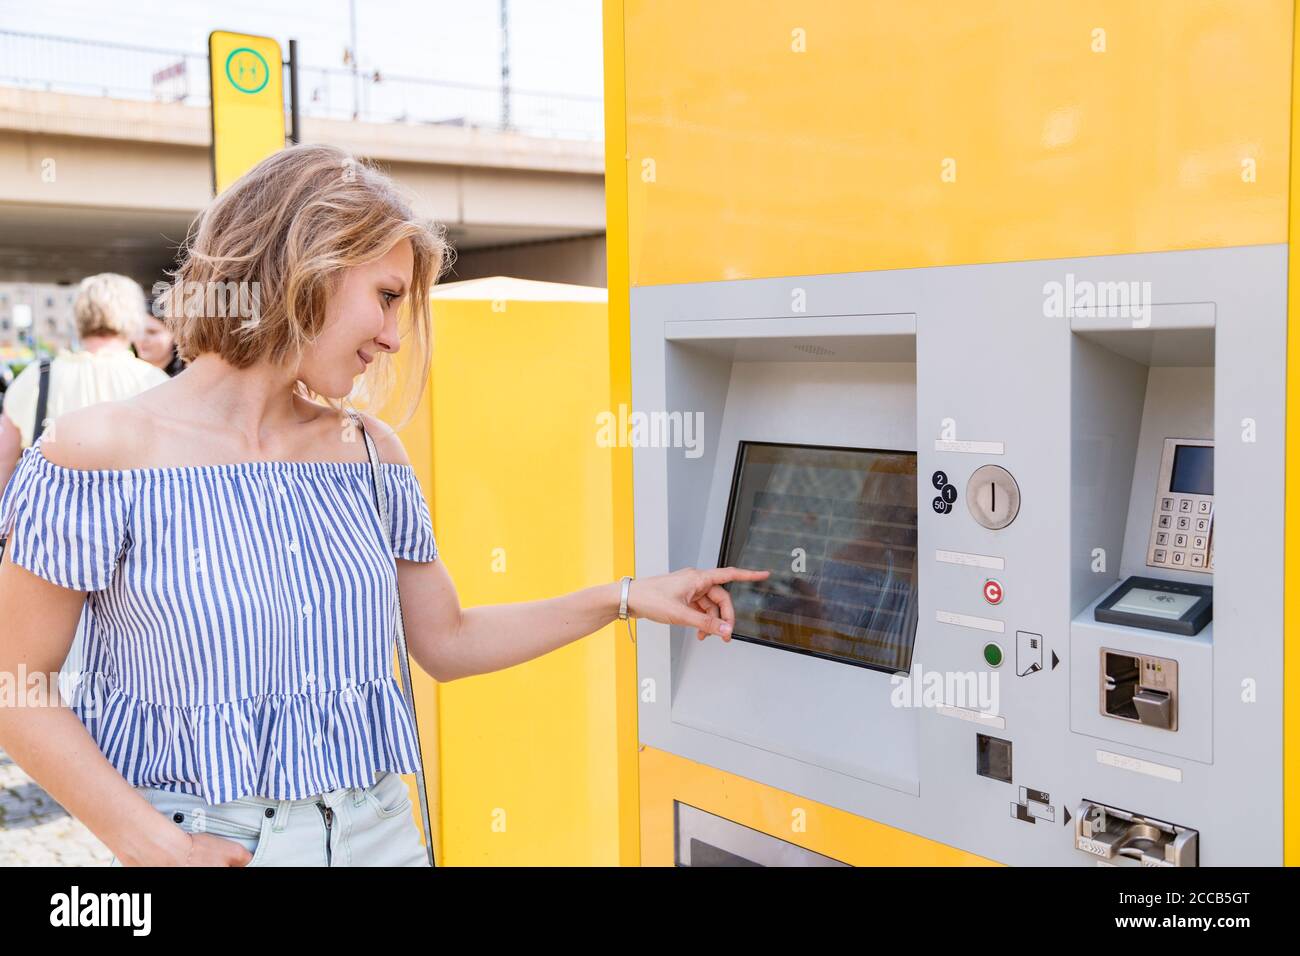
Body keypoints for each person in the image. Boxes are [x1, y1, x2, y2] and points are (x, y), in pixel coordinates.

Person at [0, 143, 768, 867]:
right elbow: (17, 682)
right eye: (387, 296)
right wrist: (146, 842)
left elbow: (449, 640)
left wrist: (628, 597)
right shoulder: (94, 454)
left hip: (382, 836)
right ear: (302, 267)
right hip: (210, 842)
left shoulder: (369, 452)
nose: (395, 338)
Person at [0, 274, 169, 493]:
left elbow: (4, 459)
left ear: (78, 318)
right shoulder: (154, 381)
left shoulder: (36, 377)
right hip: (133, 521)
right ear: (134, 319)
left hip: (53, 519)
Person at [133, 309, 186, 376]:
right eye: (138, 331)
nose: (141, 339)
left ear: (174, 334)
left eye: (152, 332)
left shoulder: (185, 378)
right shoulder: (126, 375)